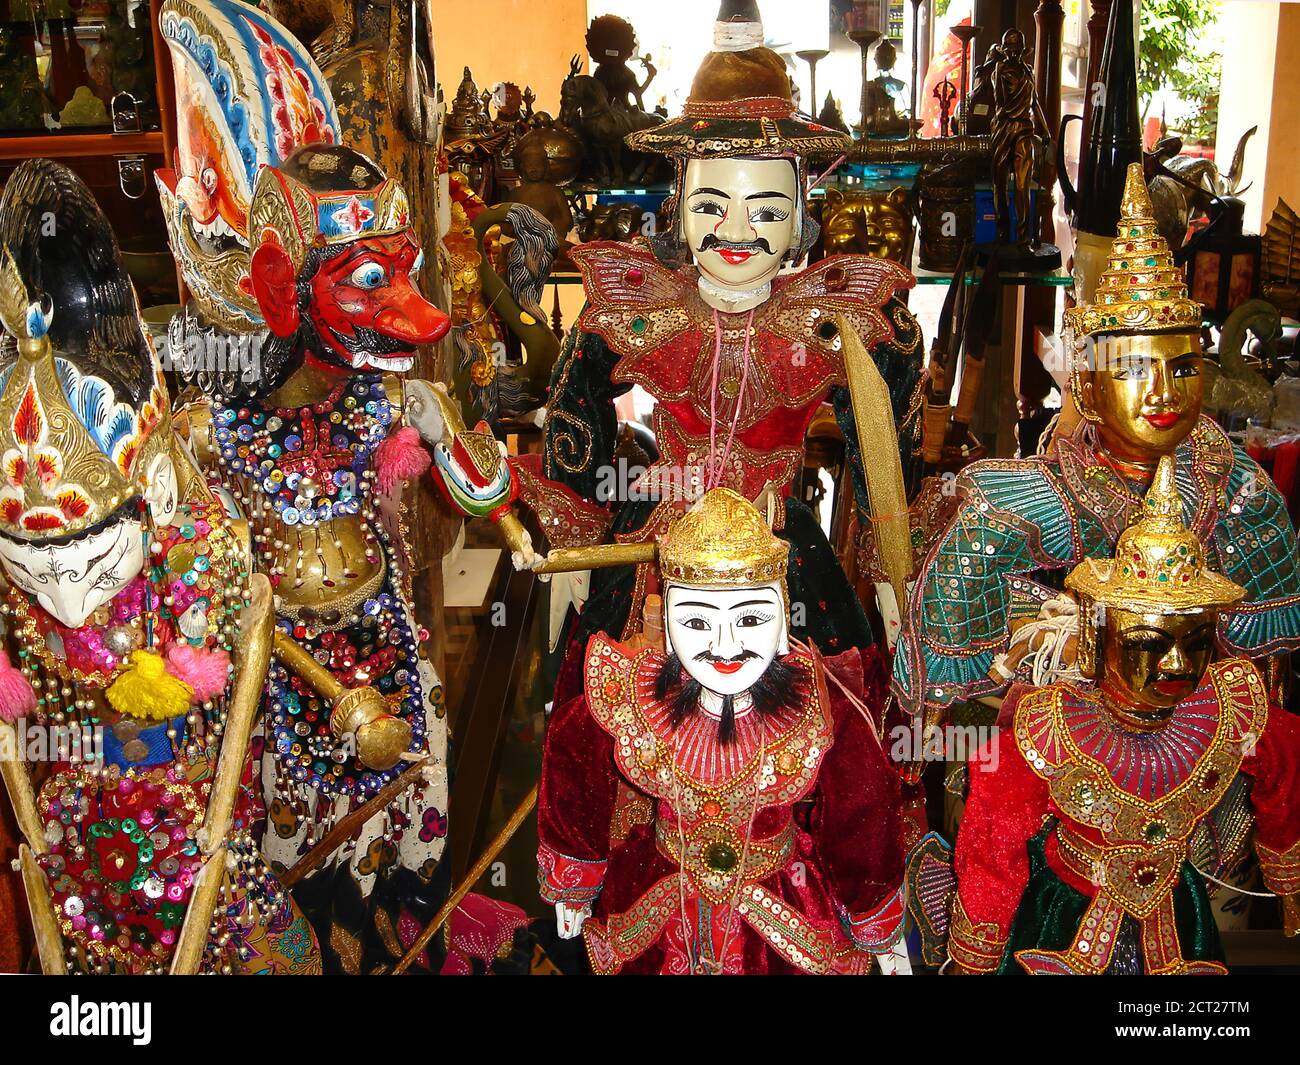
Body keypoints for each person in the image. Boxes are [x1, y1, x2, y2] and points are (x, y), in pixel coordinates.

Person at [948, 455, 1300, 974]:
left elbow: (1287, 757)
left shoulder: (1227, 710)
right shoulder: (1047, 731)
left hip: (1178, 914)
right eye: (1147, 643)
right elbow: (993, 843)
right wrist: (978, 947)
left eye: (1196, 642)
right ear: (1101, 638)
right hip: (1063, 916)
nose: (1177, 665)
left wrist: (1287, 870)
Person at [537, 489, 907, 974]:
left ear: (782, 620)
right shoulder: (631, 694)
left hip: (782, 899)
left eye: (750, 618)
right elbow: (574, 758)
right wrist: (575, 874)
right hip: (658, 891)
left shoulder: (822, 708)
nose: (725, 645)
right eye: (696, 621)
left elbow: (862, 812)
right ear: (668, 625)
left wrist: (873, 914)